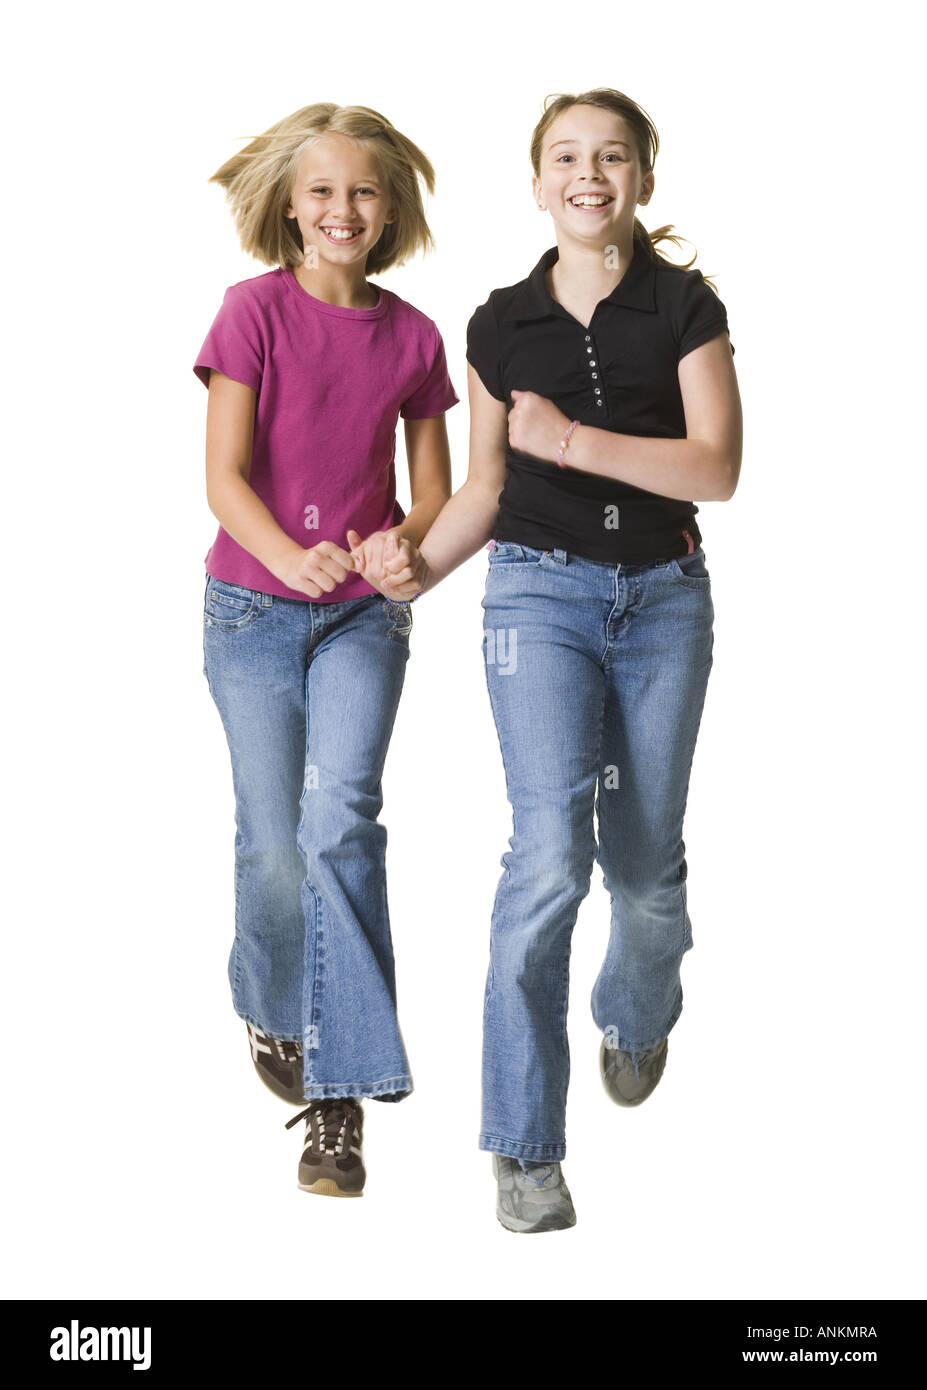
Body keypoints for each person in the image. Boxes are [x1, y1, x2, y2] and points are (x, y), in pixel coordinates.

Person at [412, 88, 743, 1232]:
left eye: (611, 157)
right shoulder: (501, 323)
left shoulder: (686, 305)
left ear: (643, 179)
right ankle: (524, 1146)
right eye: (566, 156)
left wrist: (576, 440)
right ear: (538, 180)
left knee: (645, 873)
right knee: (548, 852)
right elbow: (487, 489)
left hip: (663, 600)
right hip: (536, 594)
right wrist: (412, 566)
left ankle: (638, 1011)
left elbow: (715, 470)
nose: (588, 174)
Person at [195, 102, 457, 1198]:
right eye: (322, 192)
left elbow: (435, 489)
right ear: (290, 207)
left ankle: (337, 1100)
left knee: (338, 817)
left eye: (362, 192)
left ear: (388, 208)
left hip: (359, 619)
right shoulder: (250, 312)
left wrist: (410, 551)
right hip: (251, 611)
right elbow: (222, 476)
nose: (342, 209)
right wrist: (287, 552)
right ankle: (270, 1002)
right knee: (270, 841)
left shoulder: (413, 335)